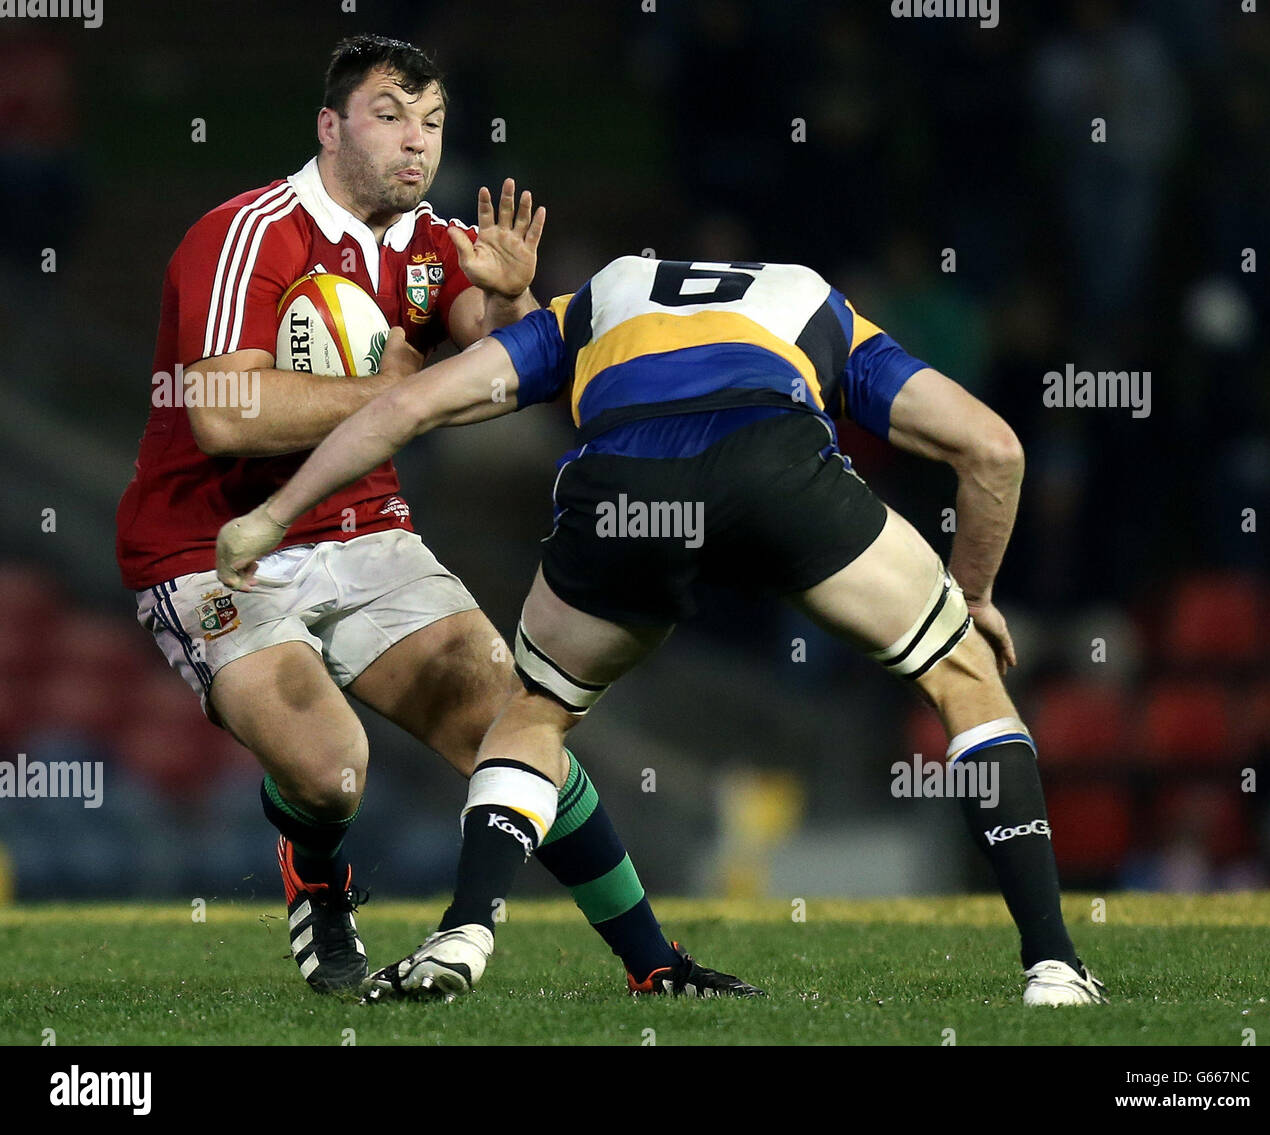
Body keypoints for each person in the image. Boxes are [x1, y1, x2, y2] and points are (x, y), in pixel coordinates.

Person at [217, 255, 1110, 1007]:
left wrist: (272, 515)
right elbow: (993, 449)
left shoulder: (594, 302)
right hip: (775, 470)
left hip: (626, 495)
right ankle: (1053, 965)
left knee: (533, 713)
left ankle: (466, 928)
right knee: (962, 677)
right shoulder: (812, 300)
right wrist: (973, 594)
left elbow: (408, 409)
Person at [117, 36, 758, 999]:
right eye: (389, 117)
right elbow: (222, 412)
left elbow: (506, 370)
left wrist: (511, 303)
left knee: (512, 728)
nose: (416, 141)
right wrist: (391, 391)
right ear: (330, 127)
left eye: (432, 122)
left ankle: (653, 963)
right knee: (332, 772)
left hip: (366, 530)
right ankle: (315, 872)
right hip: (211, 547)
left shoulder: (434, 243)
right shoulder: (244, 234)